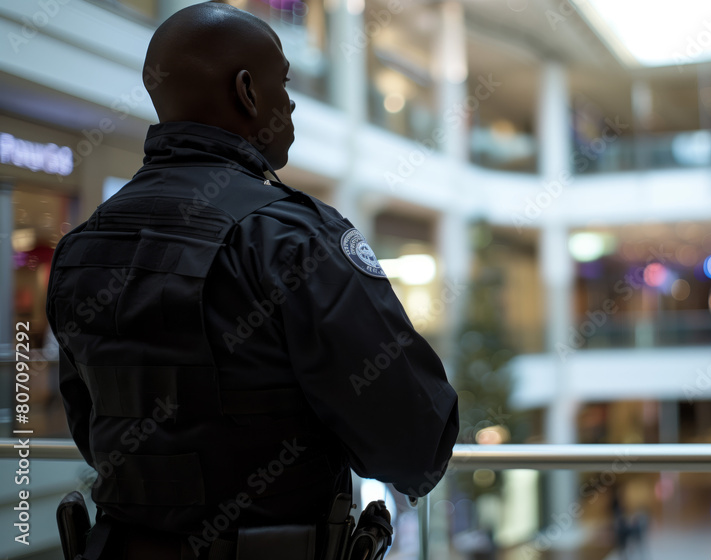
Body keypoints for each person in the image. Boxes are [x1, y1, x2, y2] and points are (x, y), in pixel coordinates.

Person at [45, 3, 459, 558]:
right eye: (282, 85)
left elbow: (92, 430)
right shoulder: (291, 239)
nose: (289, 104)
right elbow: (413, 442)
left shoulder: (81, 247)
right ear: (247, 92)